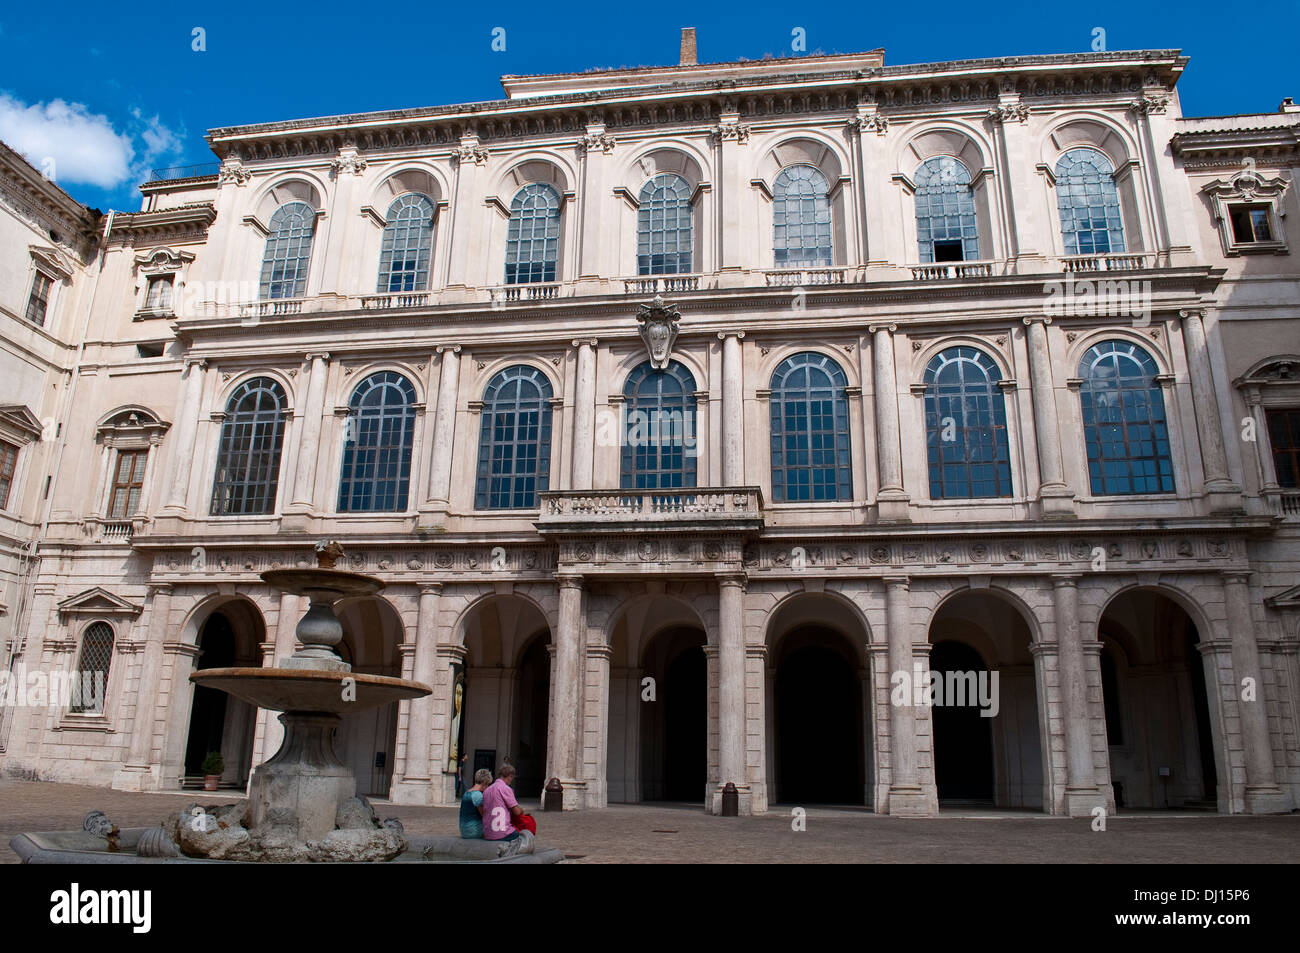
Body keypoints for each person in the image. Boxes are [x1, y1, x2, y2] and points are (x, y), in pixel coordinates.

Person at [481, 762, 534, 856]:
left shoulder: (487, 790)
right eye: (512, 777)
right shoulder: (505, 788)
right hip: (503, 832)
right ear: (509, 776)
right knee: (526, 831)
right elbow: (516, 811)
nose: (511, 780)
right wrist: (522, 810)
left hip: (488, 833)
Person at [459, 768, 493, 839]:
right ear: (484, 783)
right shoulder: (478, 795)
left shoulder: (467, 792)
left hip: (464, 830)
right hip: (473, 831)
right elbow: (484, 815)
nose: (487, 787)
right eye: (487, 784)